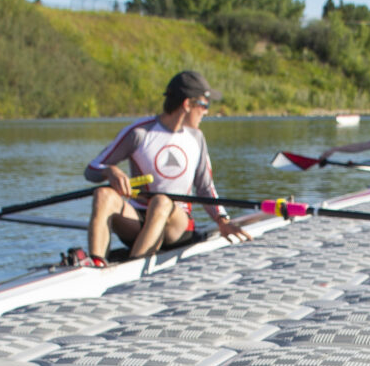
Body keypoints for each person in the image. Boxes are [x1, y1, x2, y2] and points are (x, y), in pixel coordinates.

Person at [82, 70, 249, 266]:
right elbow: (91, 169)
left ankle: (134, 265)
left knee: (161, 201)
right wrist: (109, 171)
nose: (206, 112)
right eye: (204, 105)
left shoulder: (196, 138)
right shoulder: (140, 133)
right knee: (103, 194)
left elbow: (206, 188)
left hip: (177, 225)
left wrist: (222, 220)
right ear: (187, 104)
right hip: (137, 221)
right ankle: (97, 264)